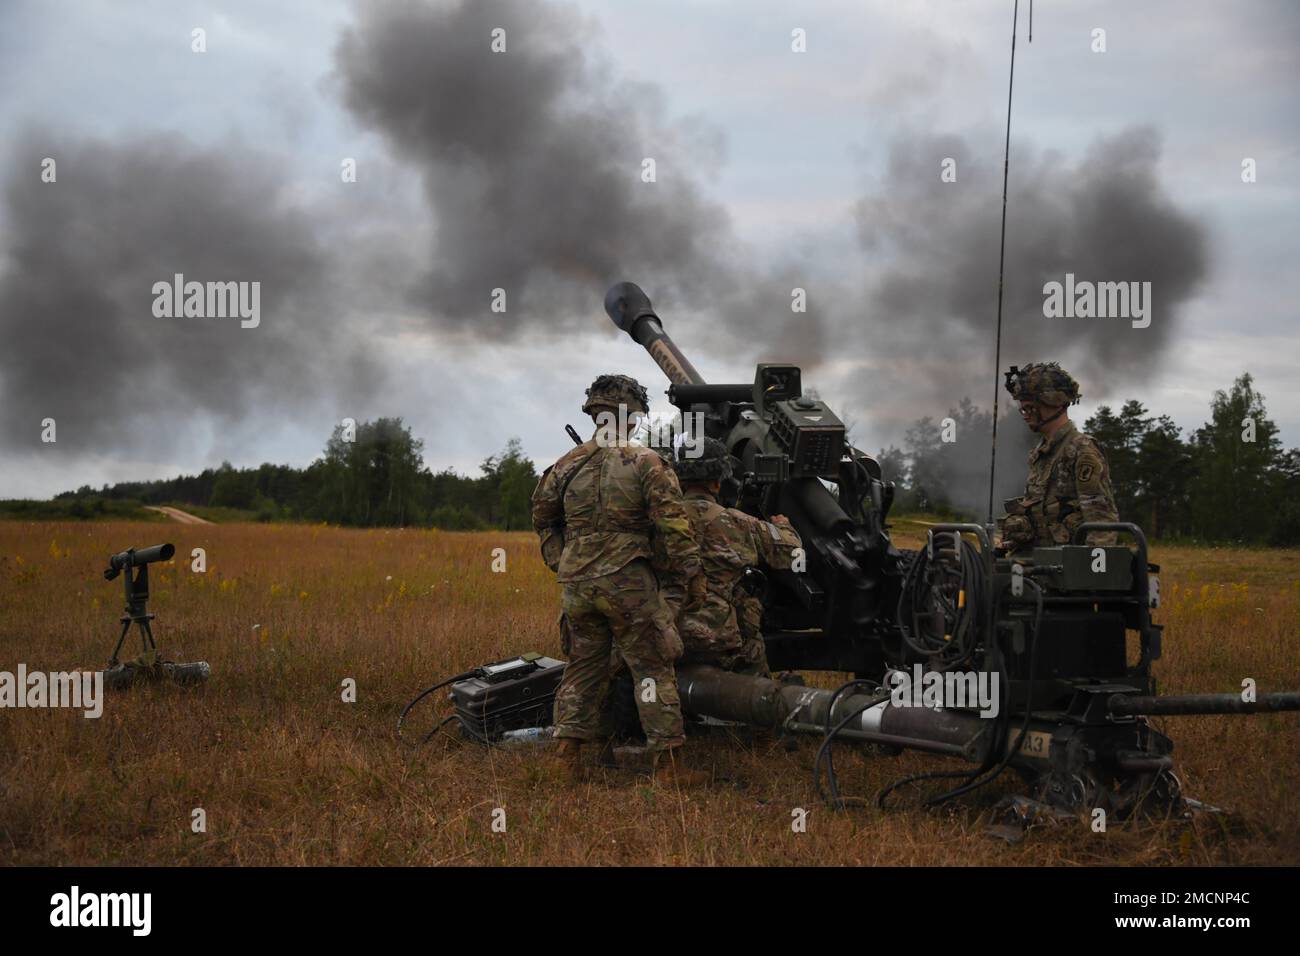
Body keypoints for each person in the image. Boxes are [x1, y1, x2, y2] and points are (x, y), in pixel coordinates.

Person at [531, 374, 707, 785]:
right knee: (652, 667)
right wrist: (689, 573)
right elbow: (674, 528)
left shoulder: (564, 465)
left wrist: (565, 562)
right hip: (629, 582)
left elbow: (543, 521)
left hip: (577, 586)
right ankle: (668, 768)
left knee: (583, 668)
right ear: (633, 417)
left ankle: (564, 758)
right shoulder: (647, 463)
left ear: (594, 413)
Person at [670, 438, 802, 677]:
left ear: (679, 479)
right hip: (720, 642)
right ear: (717, 483)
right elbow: (792, 554)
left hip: (665, 637)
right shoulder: (739, 523)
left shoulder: (659, 521)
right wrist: (785, 527)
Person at [999, 363, 1119, 554]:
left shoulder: (1081, 450)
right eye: (1023, 409)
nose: (1025, 415)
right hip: (1039, 561)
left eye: (1030, 408)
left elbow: (1101, 521)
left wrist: (1093, 572)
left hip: (1068, 565)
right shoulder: (1041, 453)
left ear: (1054, 402)